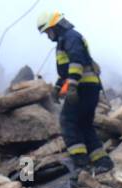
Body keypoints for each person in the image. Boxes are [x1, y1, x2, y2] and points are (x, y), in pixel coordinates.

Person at [37, 12, 109, 171]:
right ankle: (102, 161)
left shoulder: (70, 37)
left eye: (48, 31)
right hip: (89, 86)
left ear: (55, 26)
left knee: (68, 122)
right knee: (85, 125)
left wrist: (72, 86)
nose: (48, 36)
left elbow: (76, 62)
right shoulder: (67, 38)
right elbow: (66, 71)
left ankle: (81, 163)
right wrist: (58, 87)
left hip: (83, 87)